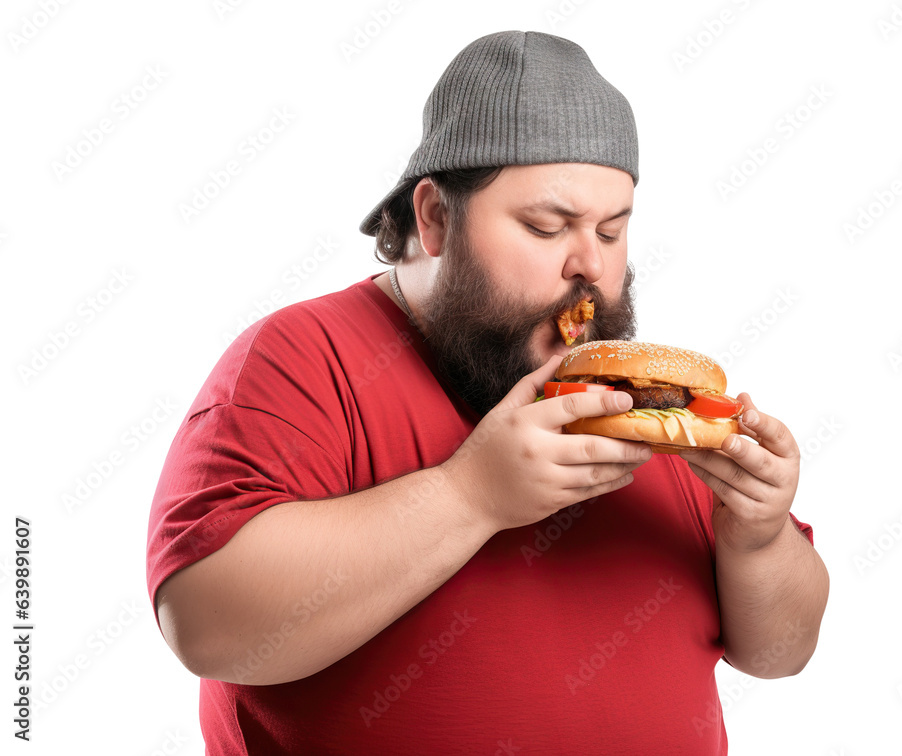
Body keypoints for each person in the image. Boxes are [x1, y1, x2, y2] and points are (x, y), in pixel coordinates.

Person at [146, 30, 829, 755]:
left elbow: (781, 653)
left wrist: (757, 538)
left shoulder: (644, 398)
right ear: (436, 218)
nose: (590, 266)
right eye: (547, 226)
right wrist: (472, 496)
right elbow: (206, 625)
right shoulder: (303, 357)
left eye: (611, 229)